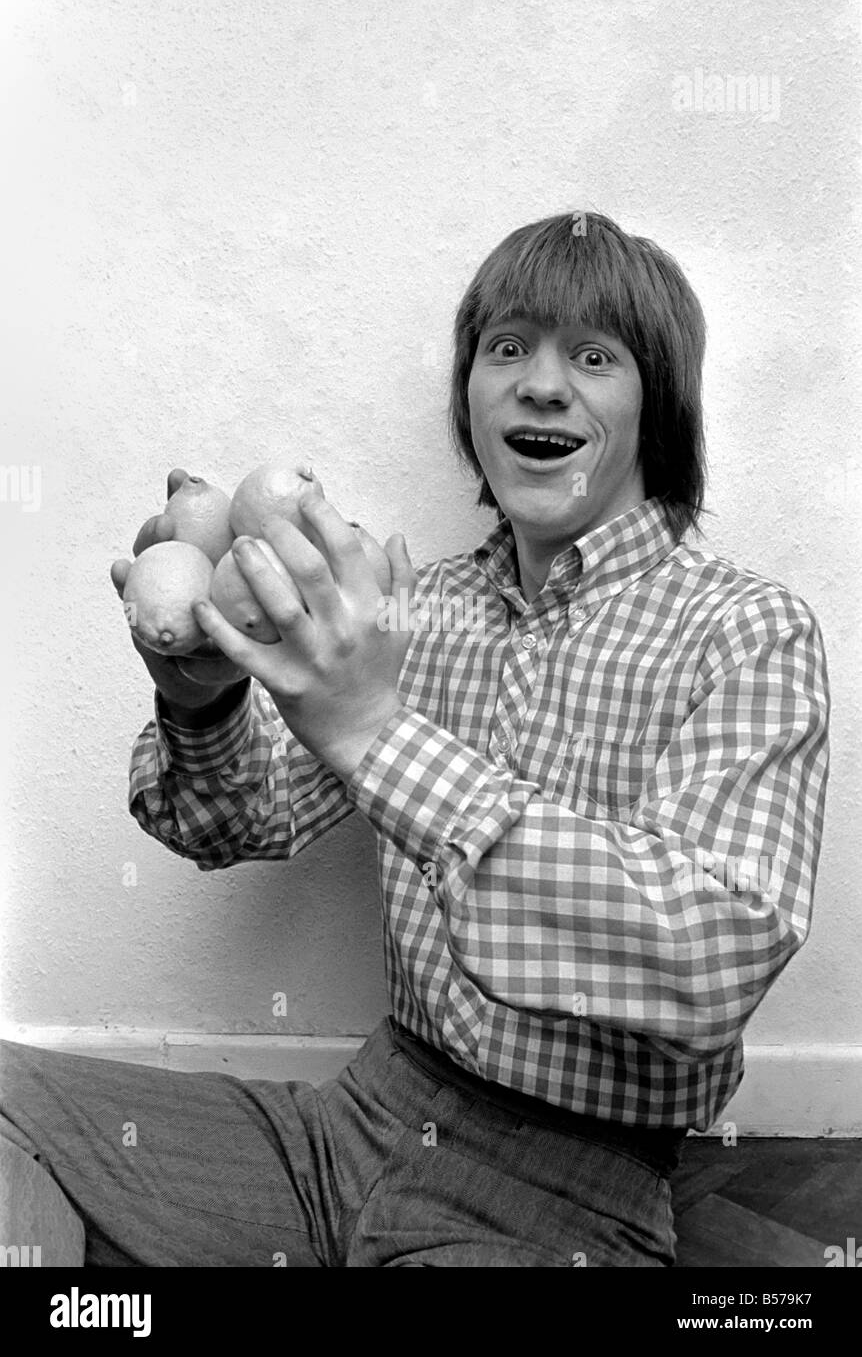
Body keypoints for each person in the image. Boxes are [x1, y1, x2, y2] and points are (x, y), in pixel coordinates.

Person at [0, 212, 830, 1267]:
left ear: (656, 405)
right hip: (351, 1119)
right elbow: (235, 821)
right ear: (471, 398)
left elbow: (708, 956)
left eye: (591, 356)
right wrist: (201, 697)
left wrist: (376, 733)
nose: (539, 383)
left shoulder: (748, 630)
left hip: (569, 1194)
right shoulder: (410, 609)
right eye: (507, 348)